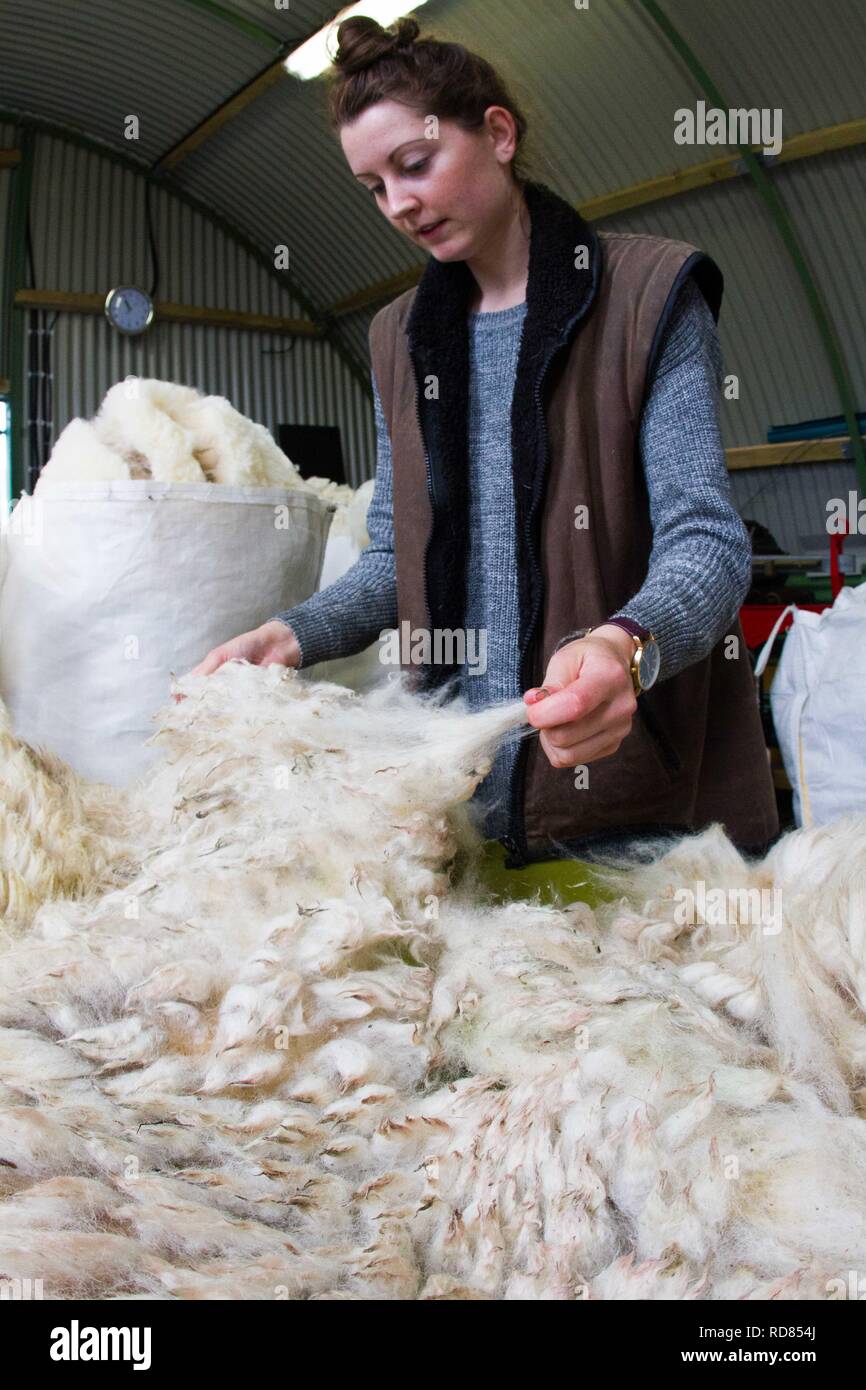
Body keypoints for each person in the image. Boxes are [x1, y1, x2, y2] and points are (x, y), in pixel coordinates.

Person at [191, 15, 778, 877]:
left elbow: (707, 540)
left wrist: (625, 645)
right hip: (458, 807)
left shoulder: (648, 297)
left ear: (498, 134)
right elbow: (400, 558)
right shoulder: (402, 337)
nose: (398, 205)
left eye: (415, 165)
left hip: (632, 807)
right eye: (373, 187)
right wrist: (288, 636)